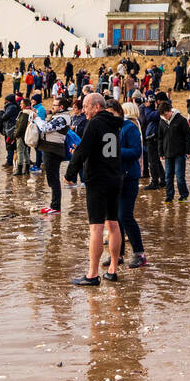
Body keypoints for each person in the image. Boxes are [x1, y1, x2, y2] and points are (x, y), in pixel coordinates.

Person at [65, 93, 125, 285]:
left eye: (86, 106)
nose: (84, 110)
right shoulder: (116, 123)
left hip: (97, 180)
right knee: (113, 224)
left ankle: (92, 274)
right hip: (114, 178)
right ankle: (113, 269)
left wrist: (69, 174)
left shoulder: (95, 123)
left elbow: (83, 149)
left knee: (96, 227)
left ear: (96, 107)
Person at [116, 101, 148, 268]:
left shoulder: (130, 127)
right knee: (116, 217)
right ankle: (118, 254)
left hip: (129, 176)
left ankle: (139, 253)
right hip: (116, 176)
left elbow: (136, 151)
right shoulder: (113, 127)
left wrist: (116, 150)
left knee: (125, 216)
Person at [158, 100, 190, 203]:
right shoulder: (161, 121)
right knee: (168, 177)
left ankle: (184, 195)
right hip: (167, 153)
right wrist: (161, 153)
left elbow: (188, 136)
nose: (165, 117)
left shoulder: (181, 120)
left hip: (180, 153)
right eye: (162, 116)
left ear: (170, 111)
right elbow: (160, 138)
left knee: (179, 176)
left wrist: (188, 151)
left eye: (166, 115)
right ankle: (169, 197)